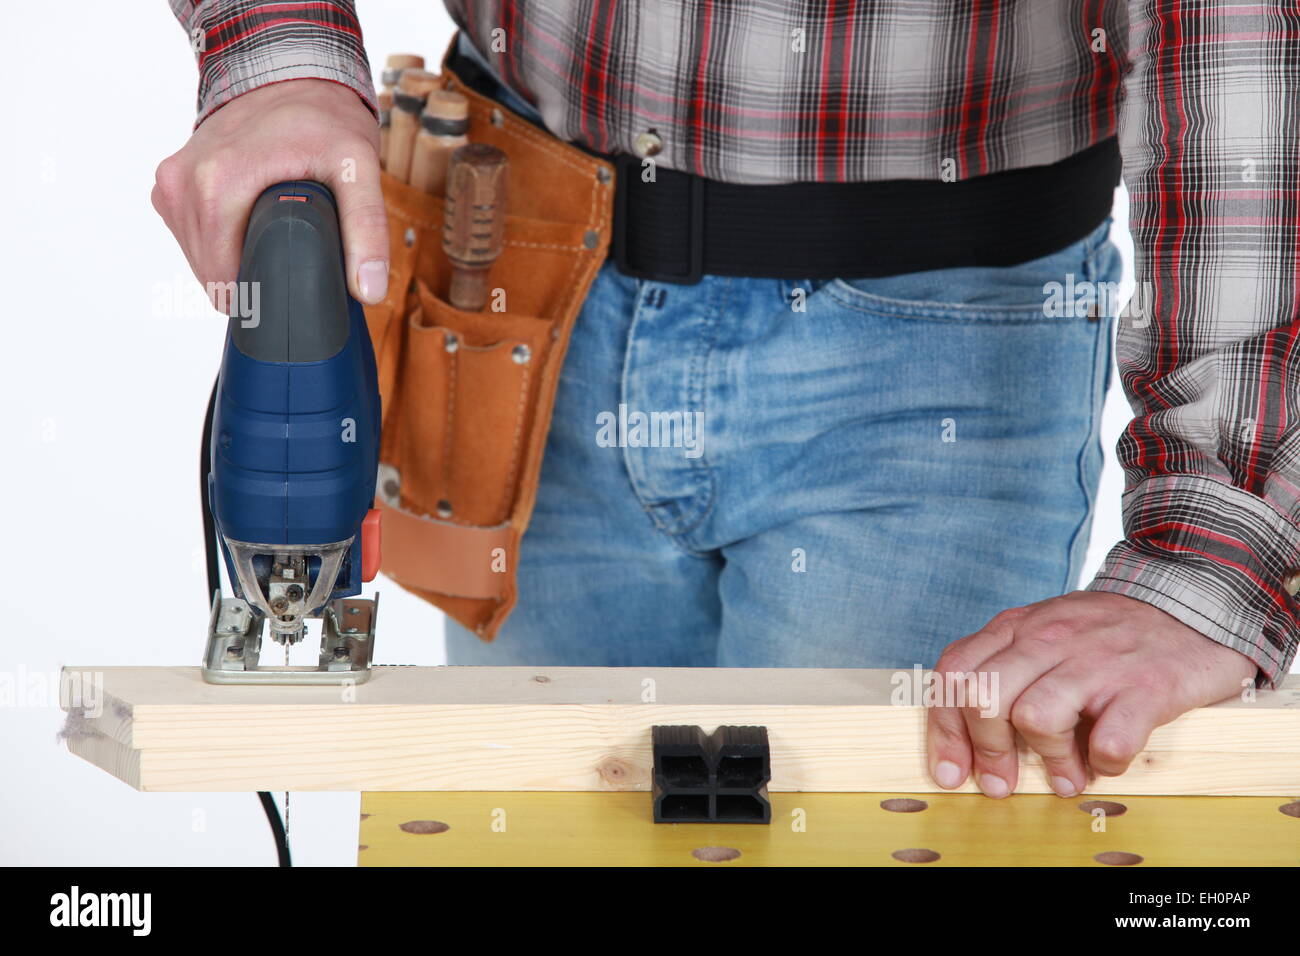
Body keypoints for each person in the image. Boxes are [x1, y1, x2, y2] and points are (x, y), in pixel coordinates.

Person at [154, 1, 1298, 800]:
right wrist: (278, 48)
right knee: (540, 841)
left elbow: (1242, 41)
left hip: (942, 328)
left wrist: (1213, 542)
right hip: (517, 252)